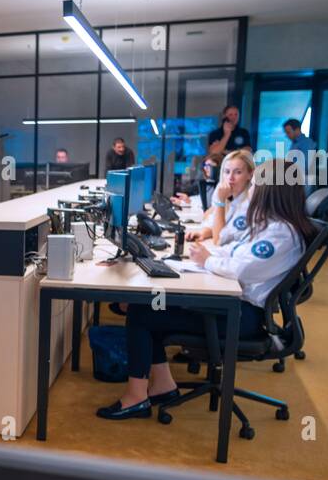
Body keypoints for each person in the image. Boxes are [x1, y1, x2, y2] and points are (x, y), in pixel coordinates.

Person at [96, 159, 314, 419]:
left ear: (271, 191)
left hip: (241, 318)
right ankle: (162, 386)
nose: (251, 190)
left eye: (255, 185)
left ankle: (135, 398)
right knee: (146, 305)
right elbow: (234, 252)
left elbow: (242, 270)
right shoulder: (270, 224)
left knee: (142, 315)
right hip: (235, 306)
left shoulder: (280, 233)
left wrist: (207, 260)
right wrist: (205, 257)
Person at [184, 149, 254, 248]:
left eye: (238, 172)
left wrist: (220, 202)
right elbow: (216, 223)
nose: (230, 177)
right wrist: (204, 232)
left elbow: (220, 240)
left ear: (250, 174)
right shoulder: (232, 199)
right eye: (227, 172)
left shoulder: (248, 204)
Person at [282, 118, 317, 195]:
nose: (287, 135)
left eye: (288, 132)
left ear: (297, 129)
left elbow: (307, 164)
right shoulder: (294, 143)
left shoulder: (307, 143)